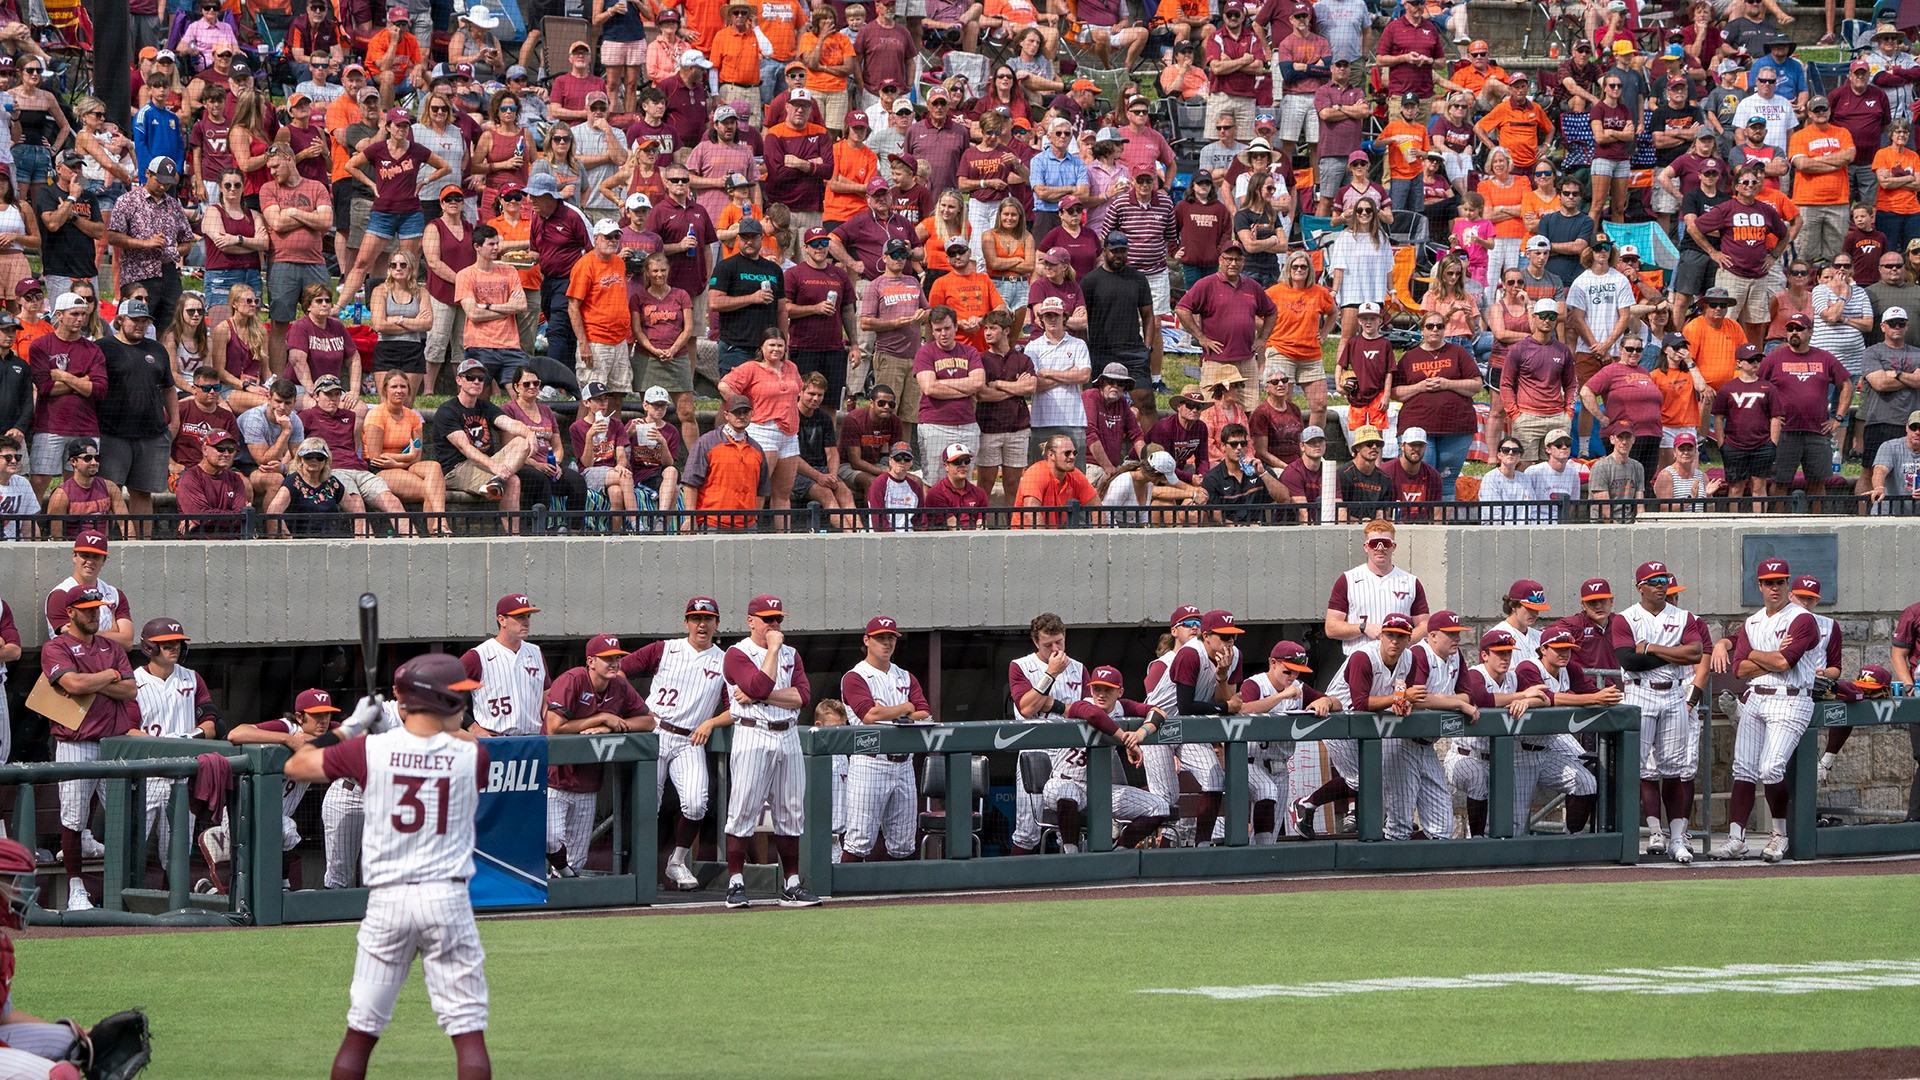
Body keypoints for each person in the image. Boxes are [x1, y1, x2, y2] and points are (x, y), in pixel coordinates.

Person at [283, 653, 491, 1080]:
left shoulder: (369, 749)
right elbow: (456, 743)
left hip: (387, 903)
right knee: (468, 1030)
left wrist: (354, 728)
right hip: (447, 899)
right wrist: (393, 730)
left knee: (361, 1031)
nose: (464, 704)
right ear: (441, 700)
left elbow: (295, 765)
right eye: (458, 696)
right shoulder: (473, 756)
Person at [1703, 559, 1819, 864]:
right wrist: (1770, 655)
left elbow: (1785, 662)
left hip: (1791, 697)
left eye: (1780, 582)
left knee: (1771, 769)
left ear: (1787, 584)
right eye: (1769, 583)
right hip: (1756, 697)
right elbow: (1740, 670)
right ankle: (1736, 840)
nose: (1775, 588)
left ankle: (1779, 835)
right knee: (1743, 769)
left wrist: (1756, 654)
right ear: (1760, 586)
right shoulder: (1752, 622)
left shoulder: (1802, 618)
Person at [618, 597, 731, 890]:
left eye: (708, 619)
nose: (701, 624)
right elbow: (618, 670)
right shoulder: (664, 648)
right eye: (695, 618)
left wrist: (711, 722)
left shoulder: (725, 660)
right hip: (655, 731)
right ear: (686, 622)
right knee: (647, 805)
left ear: (717, 623)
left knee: (696, 804)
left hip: (690, 738)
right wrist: (638, 707)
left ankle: (676, 862)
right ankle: (638, 869)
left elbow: (735, 709)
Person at [719, 594, 819, 908]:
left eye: (778, 619)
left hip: (787, 733)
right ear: (751, 621)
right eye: (767, 619)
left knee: (791, 810)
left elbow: (802, 696)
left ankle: (791, 884)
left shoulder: (793, 654)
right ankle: (735, 883)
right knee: (743, 809)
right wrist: (772, 651)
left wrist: (762, 695)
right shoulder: (737, 653)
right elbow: (759, 685)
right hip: (753, 732)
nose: (774, 625)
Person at [542, 634, 648, 877]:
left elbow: (649, 721)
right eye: (607, 659)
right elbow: (554, 727)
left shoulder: (619, 684)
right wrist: (601, 718)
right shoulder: (572, 679)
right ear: (590, 661)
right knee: (550, 838)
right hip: (554, 776)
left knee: (577, 859)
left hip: (588, 780)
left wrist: (611, 727)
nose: (614, 663)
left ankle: (563, 888)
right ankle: (561, 876)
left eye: (617, 658)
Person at [836, 616, 930, 862]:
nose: (887, 643)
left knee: (904, 843)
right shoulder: (855, 676)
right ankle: (849, 887)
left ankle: (898, 888)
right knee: (859, 840)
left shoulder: (905, 676)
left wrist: (889, 712)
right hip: (870, 761)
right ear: (867, 640)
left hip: (904, 763)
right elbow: (869, 715)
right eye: (880, 638)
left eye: (891, 638)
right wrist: (906, 708)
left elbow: (924, 712)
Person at [94, 299, 175, 523]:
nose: (140, 325)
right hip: (113, 433)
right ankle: (113, 538)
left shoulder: (157, 349)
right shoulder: (103, 347)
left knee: (143, 492)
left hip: (151, 434)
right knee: (110, 489)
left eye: (144, 321)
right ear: (120, 320)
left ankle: (143, 541)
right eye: (135, 320)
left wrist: (175, 421)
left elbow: (169, 388)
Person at [1694, 166, 1792, 347]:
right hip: (1732, 274)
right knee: (1725, 320)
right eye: (1745, 182)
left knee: (1757, 324)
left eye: (1754, 182)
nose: (1750, 185)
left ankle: (1754, 357)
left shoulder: (1766, 210)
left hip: (1759, 275)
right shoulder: (1726, 208)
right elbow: (1694, 227)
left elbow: (1785, 235)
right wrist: (1713, 252)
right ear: (1736, 186)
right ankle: (1725, 357)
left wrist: (1774, 256)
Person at [1759, 313, 1851, 500]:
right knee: (1780, 482)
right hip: (1784, 432)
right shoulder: (1774, 358)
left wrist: (1838, 417)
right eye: (1790, 329)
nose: (1794, 332)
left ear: (1810, 332)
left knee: (1818, 483)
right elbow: (1757, 386)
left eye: (1799, 329)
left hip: (1817, 431)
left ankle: (1815, 517)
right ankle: (1776, 519)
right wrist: (1767, 417)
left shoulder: (1825, 358)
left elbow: (1847, 385)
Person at [430, 358, 533, 517]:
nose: (476, 381)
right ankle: (498, 480)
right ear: (459, 380)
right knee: (513, 481)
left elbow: (510, 423)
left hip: (484, 465)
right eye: (470, 377)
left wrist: (530, 434)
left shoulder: (485, 406)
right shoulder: (447, 411)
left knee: (520, 441)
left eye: (480, 378)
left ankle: (513, 531)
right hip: (456, 469)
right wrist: (494, 466)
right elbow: (465, 447)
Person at [27, 292, 106, 496]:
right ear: (59, 315)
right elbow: (45, 387)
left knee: (79, 487)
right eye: (74, 314)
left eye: (83, 314)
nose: (80, 319)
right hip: (50, 426)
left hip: (85, 427)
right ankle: (33, 519)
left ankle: (73, 519)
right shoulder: (41, 345)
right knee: (38, 482)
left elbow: (99, 390)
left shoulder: (93, 350)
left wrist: (64, 376)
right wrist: (82, 381)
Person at [1082, 232, 1162, 426]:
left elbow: (1148, 315)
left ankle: (1152, 445)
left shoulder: (1138, 279)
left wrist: (1147, 347)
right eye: (1114, 251)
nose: (1119, 255)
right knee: (1097, 404)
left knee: (1147, 402)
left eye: (1123, 251)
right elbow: (1082, 319)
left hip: (1133, 350)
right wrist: (1085, 348)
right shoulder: (1090, 281)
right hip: (1101, 350)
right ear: (1104, 251)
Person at [1581, 335, 1665, 480]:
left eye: (1639, 350)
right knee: (1624, 481)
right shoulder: (1611, 370)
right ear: (1621, 350)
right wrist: (1601, 417)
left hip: (1652, 434)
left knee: (1644, 481)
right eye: (1630, 349)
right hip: (1626, 436)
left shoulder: (1644, 372)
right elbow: (1585, 391)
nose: (1634, 353)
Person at [684, 395, 770, 530]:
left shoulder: (757, 449)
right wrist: (690, 519)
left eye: (745, 412)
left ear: (751, 414)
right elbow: (690, 483)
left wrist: (754, 519)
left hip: (747, 526)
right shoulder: (706, 443)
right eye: (736, 412)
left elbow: (761, 490)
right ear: (726, 415)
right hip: (712, 523)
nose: (741, 416)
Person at [1787, 97, 1855, 265]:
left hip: (1838, 203)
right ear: (1809, 113)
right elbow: (1802, 164)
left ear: (1829, 110)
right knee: (1803, 256)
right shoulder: (1799, 136)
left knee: (1837, 257)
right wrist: (1836, 163)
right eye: (1816, 110)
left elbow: (1849, 156)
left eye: (1823, 108)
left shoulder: (1842, 133)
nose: (1820, 113)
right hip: (1807, 203)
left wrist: (1815, 160)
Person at [1709, 344, 1780, 505]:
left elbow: (1776, 417)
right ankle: (1733, 519)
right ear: (1739, 362)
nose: (1755, 363)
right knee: (1735, 488)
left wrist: (1773, 443)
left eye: (1758, 359)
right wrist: (1722, 444)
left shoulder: (1769, 388)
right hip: (1734, 446)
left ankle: (1760, 520)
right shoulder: (1728, 388)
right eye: (1750, 360)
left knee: (1759, 487)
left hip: (1762, 445)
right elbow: (1718, 417)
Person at [264, 435, 361, 536]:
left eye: (319, 457)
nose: (314, 460)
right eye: (308, 457)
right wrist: (288, 539)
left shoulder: (332, 483)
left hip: (331, 541)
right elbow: (273, 511)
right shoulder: (293, 482)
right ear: (300, 459)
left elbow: (357, 513)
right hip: (300, 542)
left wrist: (358, 538)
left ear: (325, 461)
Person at [1868, 410, 1920, 505]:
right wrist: (1878, 487)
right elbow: (1880, 469)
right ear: (1907, 428)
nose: (1917, 432)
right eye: (1914, 427)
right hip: (1889, 511)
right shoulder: (1889, 447)